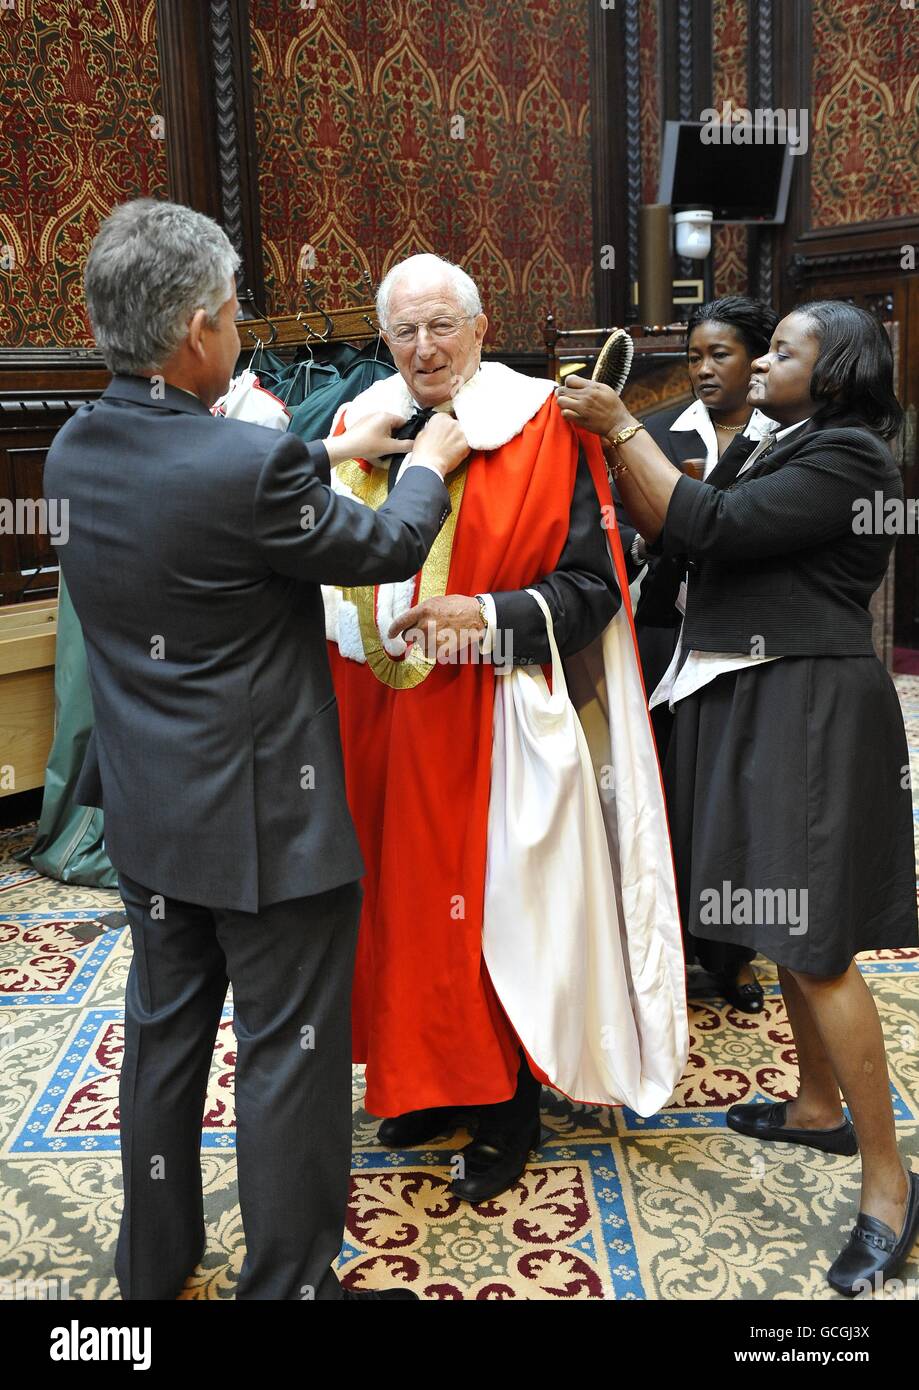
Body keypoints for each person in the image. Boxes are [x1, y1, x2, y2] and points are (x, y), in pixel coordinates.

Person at [42, 200, 468, 1301]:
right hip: (272, 831)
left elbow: (210, 503)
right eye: (233, 316)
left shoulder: (70, 451)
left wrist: (323, 446)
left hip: (148, 818)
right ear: (196, 330)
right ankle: (285, 1282)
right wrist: (428, 455)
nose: (239, 332)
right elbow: (387, 544)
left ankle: (154, 1262)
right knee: (289, 1055)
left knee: (165, 1040)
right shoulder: (248, 466)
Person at [557, 300, 919, 1295]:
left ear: (836, 368)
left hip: (808, 700)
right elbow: (685, 533)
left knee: (813, 941)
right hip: (752, 688)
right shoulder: (786, 440)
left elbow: (708, 521)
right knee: (773, 918)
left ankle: (888, 1181)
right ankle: (814, 1106)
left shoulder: (849, 457)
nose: (761, 366)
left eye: (785, 351)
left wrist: (622, 425)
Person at [323, 252, 685, 1203]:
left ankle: (501, 1105)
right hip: (381, 720)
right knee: (394, 910)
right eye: (403, 329)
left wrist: (483, 618)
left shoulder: (540, 427)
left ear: (482, 328)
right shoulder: (357, 426)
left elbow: (594, 590)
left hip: (496, 719)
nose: (423, 346)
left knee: (493, 920)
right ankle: (423, 1080)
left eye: (442, 324)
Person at [623, 296, 779, 1014]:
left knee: (736, 797)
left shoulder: (788, 439)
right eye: (694, 356)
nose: (704, 369)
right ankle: (670, 944)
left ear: (755, 359)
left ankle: (734, 954)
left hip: (746, 641)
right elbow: (623, 534)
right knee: (665, 791)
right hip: (662, 637)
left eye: (720, 354)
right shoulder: (649, 433)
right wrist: (644, 539)